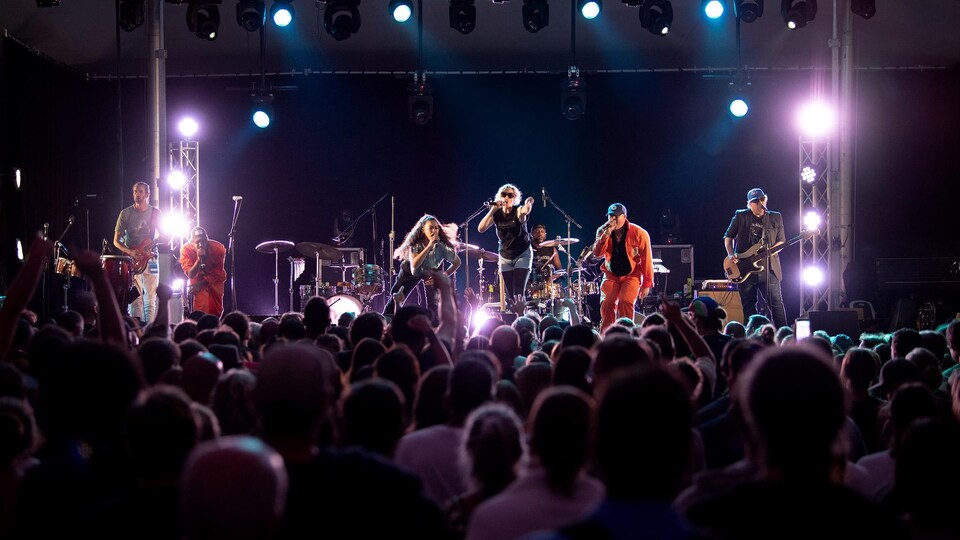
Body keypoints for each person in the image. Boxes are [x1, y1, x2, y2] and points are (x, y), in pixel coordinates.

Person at [723, 187, 787, 328]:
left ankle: (785, 336)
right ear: (749, 203)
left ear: (765, 199)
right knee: (749, 308)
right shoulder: (741, 216)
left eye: (761, 199)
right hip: (745, 270)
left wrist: (771, 251)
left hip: (769, 269)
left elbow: (781, 241)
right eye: (755, 201)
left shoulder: (775, 217)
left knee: (776, 306)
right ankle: (751, 338)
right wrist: (730, 254)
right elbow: (728, 237)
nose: (759, 203)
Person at [384, 214, 461, 320]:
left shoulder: (442, 247)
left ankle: (433, 326)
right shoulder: (416, 245)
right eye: (430, 228)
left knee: (434, 301)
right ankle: (388, 321)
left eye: (436, 228)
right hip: (411, 271)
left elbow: (457, 263)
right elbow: (414, 267)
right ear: (423, 230)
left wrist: (442, 276)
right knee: (397, 293)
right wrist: (429, 246)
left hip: (430, 271)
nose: (434, 230)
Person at [592, 203, 654, 331]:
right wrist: (606, 235)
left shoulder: (639, 233)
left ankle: (627, 335)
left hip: (631, 275)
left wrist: (647, 284)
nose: (612, 220)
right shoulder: (602, 231)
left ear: (624, 216)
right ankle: (606, 336)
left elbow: (646, 258)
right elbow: (597, 254)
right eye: (610, 216)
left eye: (615, 217)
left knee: (625, 301)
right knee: (607, 303)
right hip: (611, 274)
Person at [114, 181, 163, 323]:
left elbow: (164, 235)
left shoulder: (155, 213)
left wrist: (165, 237)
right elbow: (116, 241)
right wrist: (130, 252)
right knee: (135, 298)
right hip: (131, 260)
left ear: (147, 194)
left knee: (151, 298)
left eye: (141, 191)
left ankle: (149, 331)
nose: (137, 194)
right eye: (135, 191)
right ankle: (137, 330)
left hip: (151, 258)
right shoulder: (125, 213)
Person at [478, 183, 536, 302]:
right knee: (510, 295)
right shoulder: (496, 214)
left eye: (510, 195)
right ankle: (515, 318)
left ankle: (522, 319)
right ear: (500, 197)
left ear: (514, 198)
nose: (507, 198)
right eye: (504, 195)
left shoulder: (517, 210)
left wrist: (528, 204)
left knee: (519, 292)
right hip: (505, 255)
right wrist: (492, 210)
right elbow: (481, 228)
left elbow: (525, 210)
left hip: (522, 253)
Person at [179, 226, 228, 317]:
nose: (201, 244)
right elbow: (190, 274)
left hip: (214, 280)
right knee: (201, 308)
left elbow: (219, 272)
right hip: (197, 277)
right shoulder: (186, 249)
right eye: (197, 242)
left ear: (207, 239)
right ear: (191, 242)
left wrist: (204, 282)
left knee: (216, 309)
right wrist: (199, 259)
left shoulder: (218, 248)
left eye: (203, 241)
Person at [529, 224, 563, 298]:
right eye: (537, 231)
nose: (540, 233)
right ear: (532, 234)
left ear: (545, 234)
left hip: (549, 287)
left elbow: (560, 271)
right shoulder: (527, 249)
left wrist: (551, 278)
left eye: (542, 231)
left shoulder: (552, 249)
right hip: (532, 286)